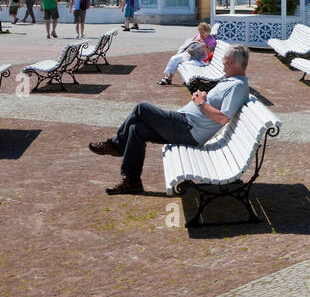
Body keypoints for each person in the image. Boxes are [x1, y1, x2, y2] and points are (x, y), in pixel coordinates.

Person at [90, 45, 252, 195]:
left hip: (188, 129)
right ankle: (132, 181)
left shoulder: (237, 86)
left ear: (231, 62)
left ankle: (117, 145)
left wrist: (201, 103)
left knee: (142, 108)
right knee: (137, 129)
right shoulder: (232, 82)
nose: (222, 64)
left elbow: (223, 118)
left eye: (224, 61)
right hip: (184, 125)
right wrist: (201, 98)